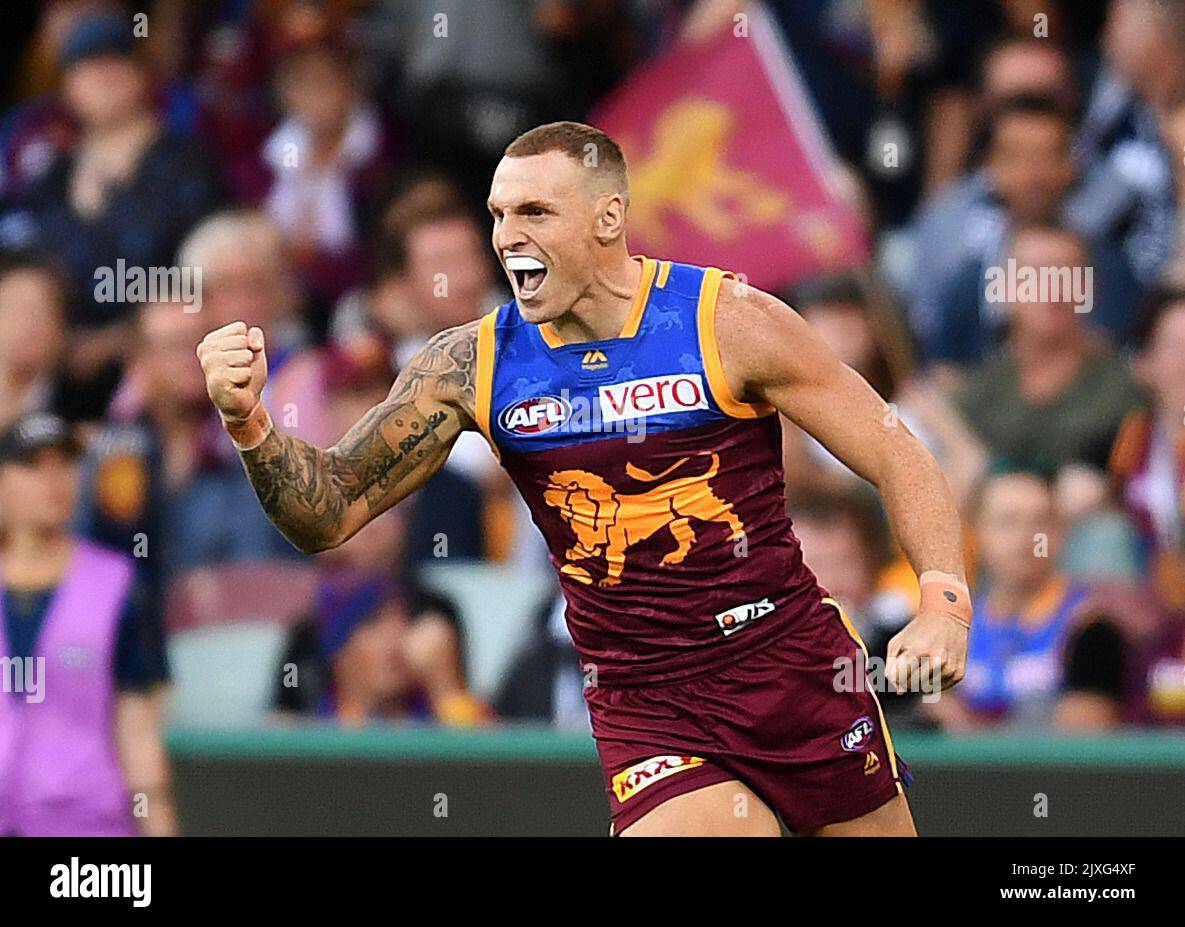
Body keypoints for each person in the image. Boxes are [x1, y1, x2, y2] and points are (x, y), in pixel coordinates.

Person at [197, 121, 972, 837]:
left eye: (535, 212)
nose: (509, 238)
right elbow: (327, 511)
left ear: (607, 218)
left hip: (789, 668)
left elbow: (894, 448)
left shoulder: (724, 321)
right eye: (499, 215)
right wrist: (251, 428)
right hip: (645, 699)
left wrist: (942, 598)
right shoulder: (472, 364)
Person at [0, 412, 175, 836]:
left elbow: (139, 738)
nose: (53, 479)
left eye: (64, 464)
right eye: (33, 465)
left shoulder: (115, 586)